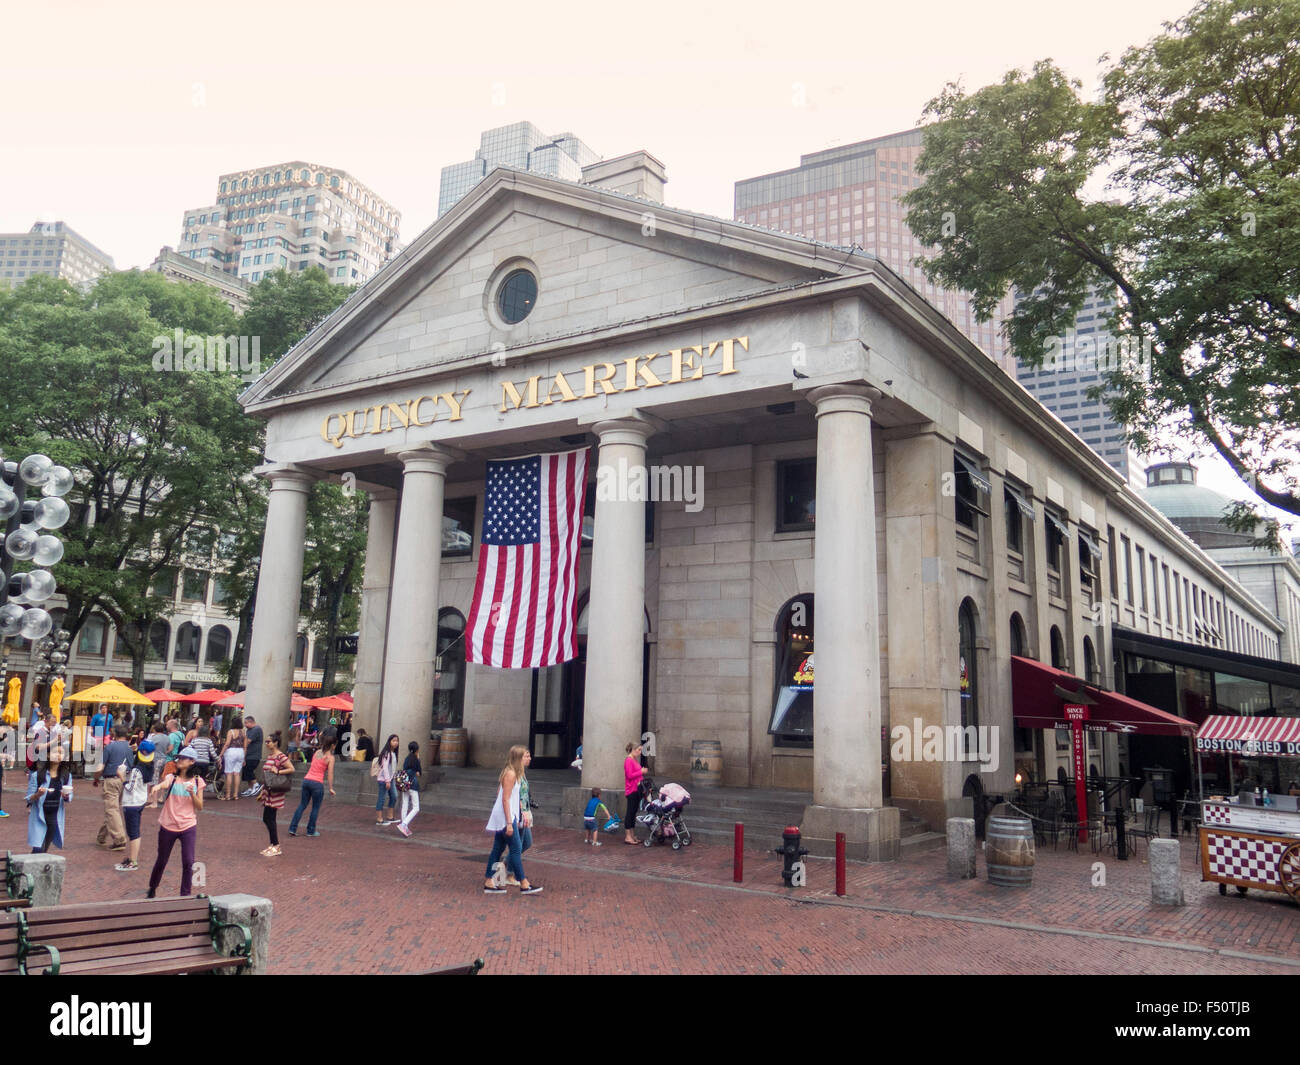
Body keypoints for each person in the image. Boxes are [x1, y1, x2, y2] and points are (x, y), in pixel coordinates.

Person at [482, 746, 541, 895]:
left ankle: (489, 880)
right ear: (518, 758)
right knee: (515, 849)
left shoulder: (514, 773)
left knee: (498, 849)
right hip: (506, 817)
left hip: (508, 815)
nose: (529, 759)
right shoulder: (511, 773)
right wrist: (509, 822)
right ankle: (523, 883)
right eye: (525, 756)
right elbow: (505, 798)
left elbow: (502, 795)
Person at [147, 746, 204, 898]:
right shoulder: (172, 778)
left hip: (188, 825)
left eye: (183, 758)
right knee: (162, 860)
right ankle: (152, 887)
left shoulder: (198, 781)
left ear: (192, 761)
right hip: (168, 824)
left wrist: (192, 793)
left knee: (188, 861)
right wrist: (157, 786)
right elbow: (164, 784)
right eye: (178, 758)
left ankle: (185, 895)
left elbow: (200, 806)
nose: (179, 760)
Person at [115, 740, 155, 872]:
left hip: (132, 802)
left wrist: (122, 777)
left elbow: (130, 788)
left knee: (133, 833)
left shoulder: (137, 770)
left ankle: (133, 861)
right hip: (140, 801)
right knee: (134, 831)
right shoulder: (149, 767)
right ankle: (131, 858)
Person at [94, 725, 132, 852]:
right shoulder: (129, 747)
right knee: (112, 808)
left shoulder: (110, 747)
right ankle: (101, 836)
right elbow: (131, 765)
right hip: (124, 779)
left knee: (112, 809)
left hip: (111, 778)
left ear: (115, 733)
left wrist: (96, 778)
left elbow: (100, 767)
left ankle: (119, 839)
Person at [26, 748, 72, 853]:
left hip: (54, 815)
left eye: (61, 753)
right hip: (40, 815)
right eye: (55, 752)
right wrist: (38, 794)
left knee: (45, 848)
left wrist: (65, 796)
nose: (58, 755)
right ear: (48, 755)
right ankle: (32, 867)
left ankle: (35, 867)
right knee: (38, 848)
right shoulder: (37, 775)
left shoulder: (66, 775)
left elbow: (69, 797)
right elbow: (29, 798)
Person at [288, 735, 335, 838]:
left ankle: (292, 827)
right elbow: (330, 773)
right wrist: (331, 787)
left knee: (302, 805)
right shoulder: (330, 758)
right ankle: (310, 830)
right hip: (317, 783)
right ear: (332, 746)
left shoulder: (317, 752)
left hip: (307, 780)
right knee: (315, 808)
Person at [258, 731, 294, 856]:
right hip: (268, 791)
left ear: (275, 743)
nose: (267, 744)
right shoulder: (270, 756)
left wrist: (278, 771)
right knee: (267, 818)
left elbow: (291, 768)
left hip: (275, 792)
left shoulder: (281, 756)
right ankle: (273, 844)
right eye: (266, 742)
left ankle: (276, 845)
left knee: (270, 818)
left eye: (269, 742)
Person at [396, 740, 421, 837]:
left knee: (405, 804)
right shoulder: (416, 759)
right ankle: (404, 824)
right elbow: (418, 773)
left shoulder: (407, 758)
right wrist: (419, 759)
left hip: (404, 783)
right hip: (413, 784)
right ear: (417, 749)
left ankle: (404, 825)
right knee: (416, 807)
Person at [623, 741, 646, 845]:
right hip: (631, 789)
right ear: (633, 750)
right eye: (639, 750)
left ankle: (632, 834)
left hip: (637, 789)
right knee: (630, 813)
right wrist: (641, 772)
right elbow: (629, 775)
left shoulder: (634, 760)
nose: (640, 752)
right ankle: (628, 836)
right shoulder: (628, 760)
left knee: (633, 813)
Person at [375, 734, 399, 826]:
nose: (396, 742)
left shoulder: (393, 753)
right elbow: (385, 767)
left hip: (391, 779)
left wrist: (393, 777)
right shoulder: (387, 753)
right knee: (381, 798)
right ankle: (379, 819)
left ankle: (390, 816)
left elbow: (392, 768)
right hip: (384, 780)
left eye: (397, 741)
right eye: (393, 741)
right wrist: (387, 780)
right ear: (389, 742)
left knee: (394, 796)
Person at [219, 719, 246, 801]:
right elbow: (245, 746)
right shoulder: (244, 732)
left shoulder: (231, 732)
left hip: (231, 752)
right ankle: (235, 794)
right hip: (241, 752)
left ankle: (228, 795)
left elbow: (227, 744)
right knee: (237, 773)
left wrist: (221, 754)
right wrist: (244, 757)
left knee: (229, 773)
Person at [189, 725, 218, 793]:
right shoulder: (209, 741)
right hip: (205, 762)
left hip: (195, 761)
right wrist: (218, 759)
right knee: (202, 779)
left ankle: (194, 793)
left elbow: (189, 749)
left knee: (194, 778)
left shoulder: (194, 740)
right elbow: (212, 753)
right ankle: (200, 795)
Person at [240, 714, 264, 798]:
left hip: (254, 755)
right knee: (246, 771)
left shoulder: (256, 729)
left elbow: (248, 741)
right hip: (248, 755)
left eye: (246, 723)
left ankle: (256, 785)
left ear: (251, 722)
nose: (245, 725)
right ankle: (250, 788)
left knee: (248, 770)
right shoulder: (249, 730)